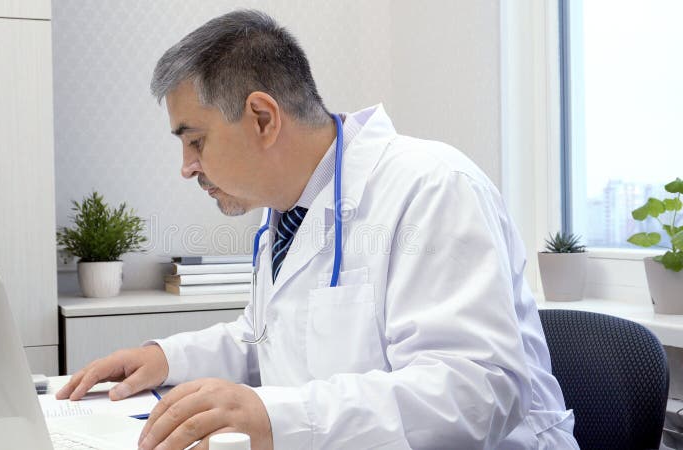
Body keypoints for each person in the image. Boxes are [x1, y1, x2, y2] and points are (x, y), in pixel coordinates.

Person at [57, 9, 579, 450]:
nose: (187, 167)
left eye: (195, 141)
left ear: (262, 117)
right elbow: (262, 337)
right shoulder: (283, 211)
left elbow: (476, 392)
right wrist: (163, 358)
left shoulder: (433, 187)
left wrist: (273, 414)